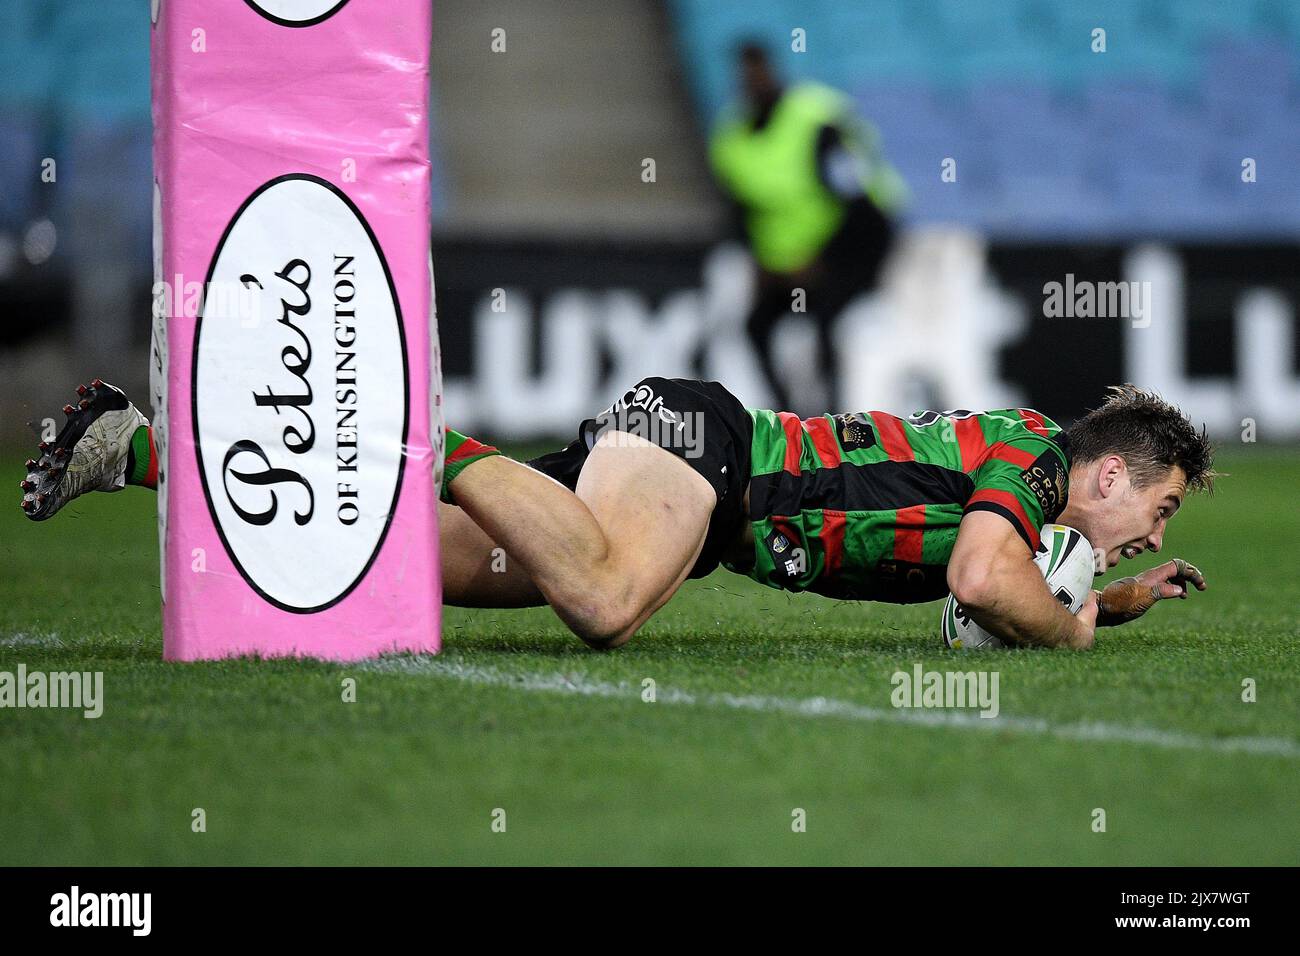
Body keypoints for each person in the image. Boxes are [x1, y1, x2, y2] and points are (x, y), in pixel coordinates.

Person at [22, 376, 1212, 652]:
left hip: (695, 511)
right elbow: (975, 582)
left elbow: (1008, 577)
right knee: (598, 602)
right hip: (708, 453)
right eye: (1157, 506)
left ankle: (137, 446)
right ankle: (426, 434)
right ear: (1107, 474)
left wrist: (1115, 596)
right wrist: (1074, 627)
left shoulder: (1032, 490)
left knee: (403, 564)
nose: (1156, 529)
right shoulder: (1031, 461)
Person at [710, 43, 907, 414]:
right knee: (756, 326)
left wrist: (821, 261)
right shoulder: (731, 135)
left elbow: (862, 204)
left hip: (854, 248)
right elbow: (741, 212)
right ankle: (784, 418)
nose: (753, 81)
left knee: (825, 321)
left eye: (759, 70)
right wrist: (760, 262)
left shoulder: (818, 120)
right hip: (790, 264)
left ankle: (834, 421)